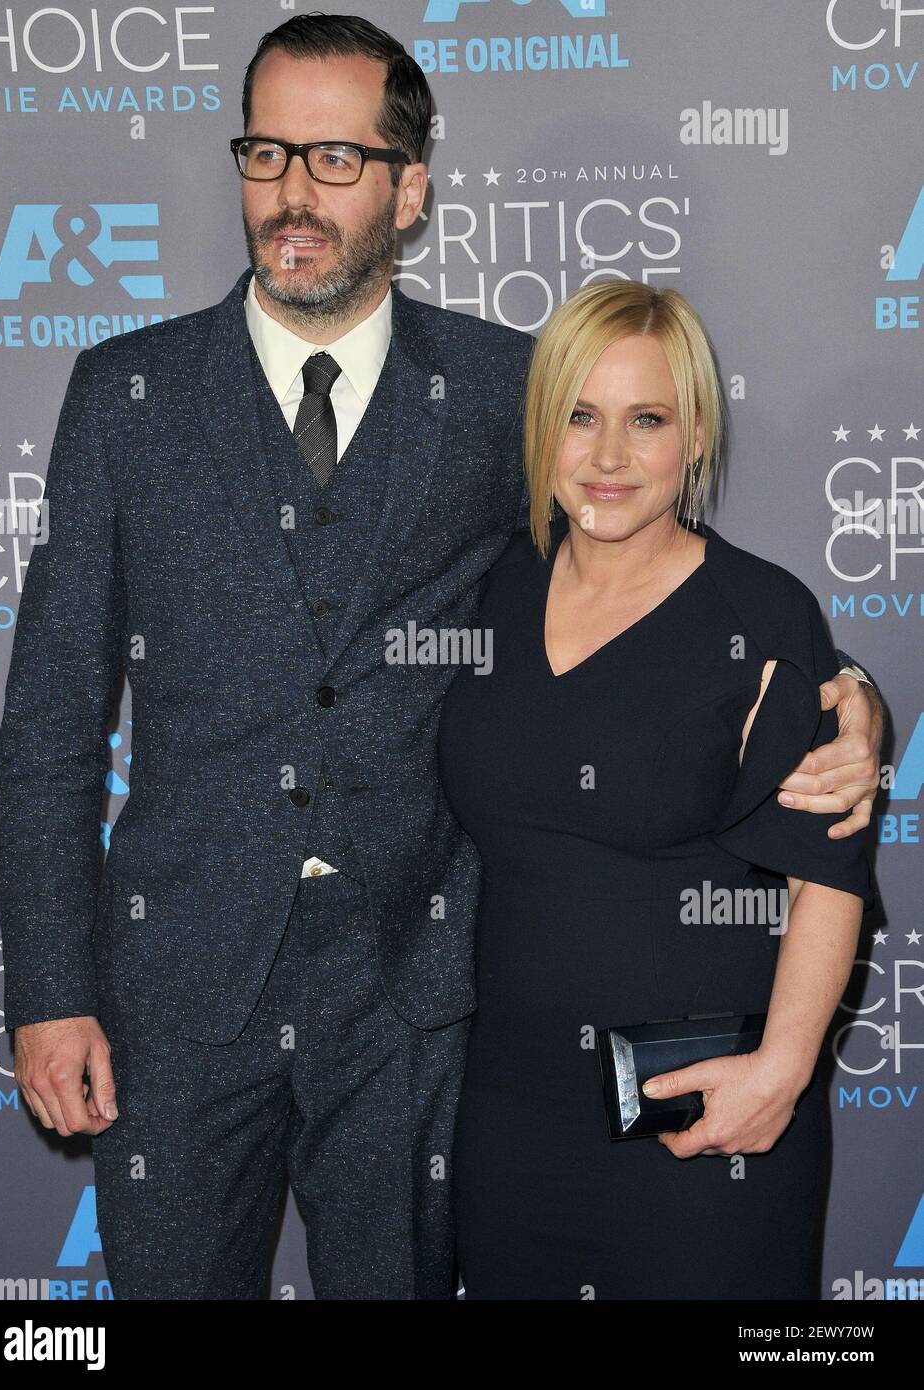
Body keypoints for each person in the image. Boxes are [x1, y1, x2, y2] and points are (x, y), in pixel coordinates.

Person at [0, 15, 882, 1301]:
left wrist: (855, 698)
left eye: (339, 158)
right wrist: (49, 989)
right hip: (176, 1003)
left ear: (410, 189)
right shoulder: (125, 395)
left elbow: (679, 592)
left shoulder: (504, 390)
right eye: (266, 151)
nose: (294, 192)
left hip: (413, 1012)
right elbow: (51, 724)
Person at [437, 279, 879, 1301]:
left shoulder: (761, 615)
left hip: (702, 1122)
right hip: (508, 1124)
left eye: (646, 421)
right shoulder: (487, 589)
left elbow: (828, 868)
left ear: (693, 436)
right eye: (579, 417)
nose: (606, 457)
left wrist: (781, 1072)